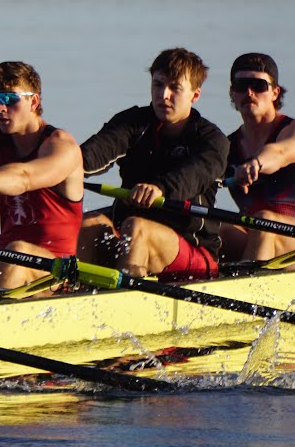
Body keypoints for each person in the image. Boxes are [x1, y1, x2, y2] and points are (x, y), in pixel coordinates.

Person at [78, 48, 229, 280]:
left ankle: (123, 306)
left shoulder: (212, 141)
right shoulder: (132, 124)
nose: (163, 95)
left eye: (175, 88)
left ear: (195, 95)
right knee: (88, 225)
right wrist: (62, 167)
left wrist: (159, 188)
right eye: (158, 85)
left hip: (193, 252)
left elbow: (193, 175)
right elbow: (91, 155)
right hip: (130, 237)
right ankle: (72, 296)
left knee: (137, 227)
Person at [0, 61, 84, 292]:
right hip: (5, 260)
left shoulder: (62, 147)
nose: (1, 109)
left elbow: (24, 178)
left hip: (55, 272)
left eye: (10, 100)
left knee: (19, 251)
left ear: (34, 101)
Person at [222, 53, 295, 263]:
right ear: (232, 94)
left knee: (264, 220)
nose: (249, 92)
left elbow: (281, 153)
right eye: (241, 85)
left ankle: (247, 288)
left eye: (258, 85)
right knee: (210, 227)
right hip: (253, 235)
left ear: (275, 92)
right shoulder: (225, 146)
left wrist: (256, 163)